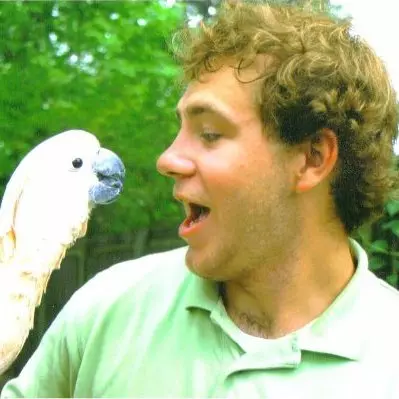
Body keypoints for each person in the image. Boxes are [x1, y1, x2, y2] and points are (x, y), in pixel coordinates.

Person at [2, 1, 399, 397]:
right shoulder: (106, 309)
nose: (167, 160)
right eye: (181, 130)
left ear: (312, 159)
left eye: (209, 133)